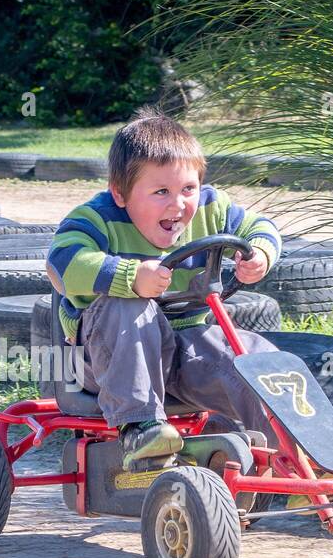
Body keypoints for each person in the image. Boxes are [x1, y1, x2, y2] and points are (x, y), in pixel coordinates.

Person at [45, 106, 284, 468]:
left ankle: (292, 458)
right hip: (105, 359)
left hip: (187, 349)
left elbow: (261, 227)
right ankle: (141, 428)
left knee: (253, 356)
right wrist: (131, 277)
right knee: (129, 304)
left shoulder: (212, 209)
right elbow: (60, 264)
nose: (178, 204)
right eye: (160, 191)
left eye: (189, 188)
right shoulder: (97, 218)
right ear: (121, 194)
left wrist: (261, 254)